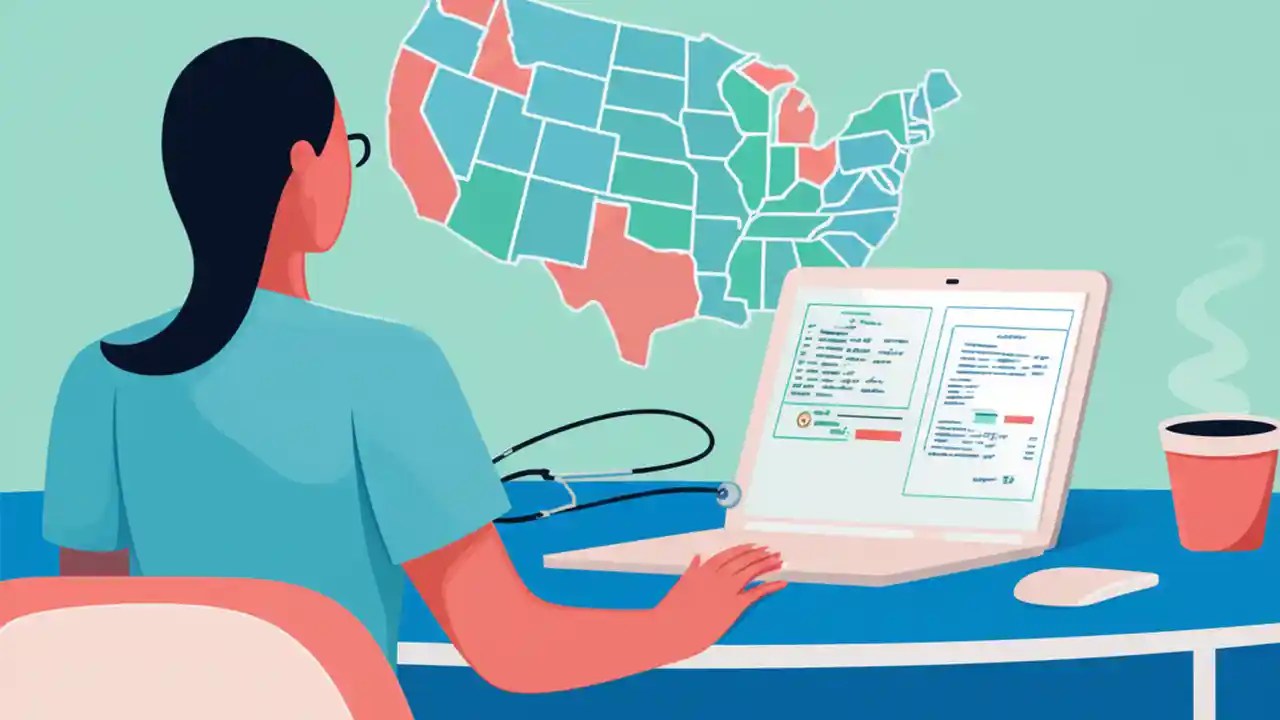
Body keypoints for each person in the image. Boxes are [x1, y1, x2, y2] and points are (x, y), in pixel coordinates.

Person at [41, 37, 786, 692]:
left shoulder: (96, 377)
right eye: (346, 147)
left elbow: (101, 640)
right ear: (304, 165)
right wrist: (677, 624)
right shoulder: (386, 366)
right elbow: (512, 651)